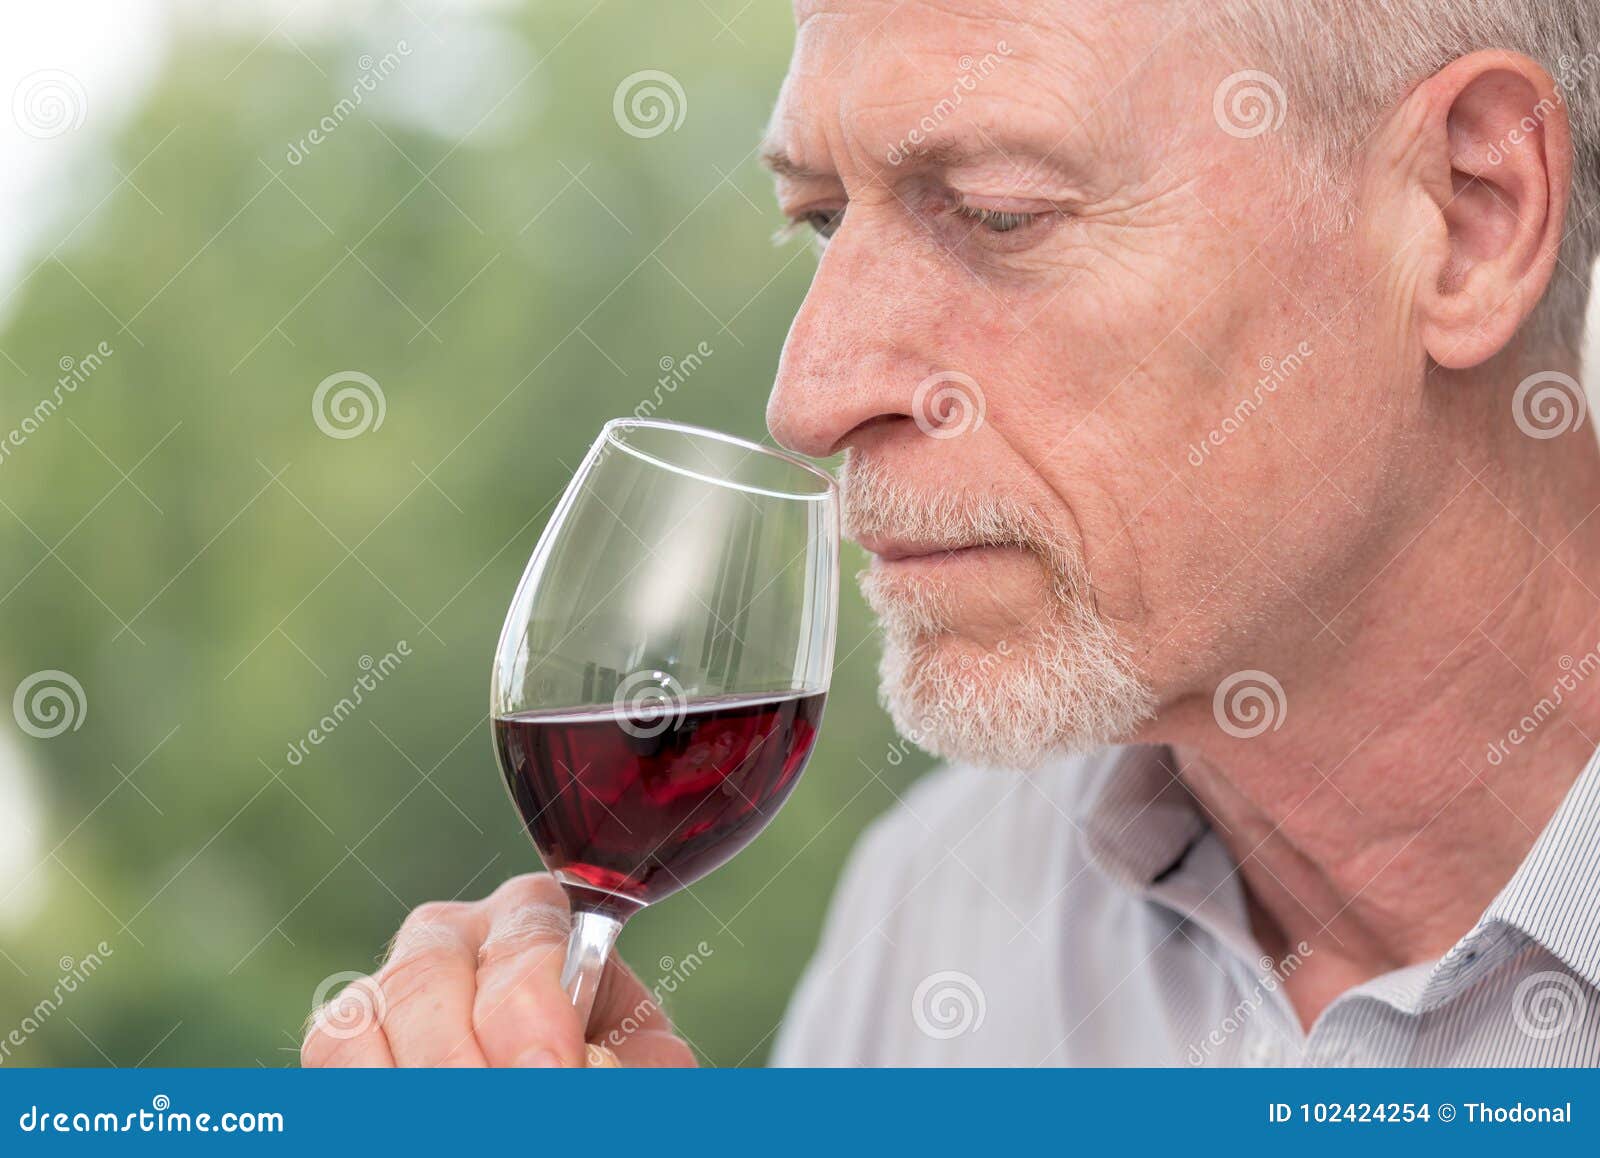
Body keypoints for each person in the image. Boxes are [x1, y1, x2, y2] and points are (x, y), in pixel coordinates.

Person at [304, 0, 1600, 1067]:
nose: (807, 398)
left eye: (994, 212)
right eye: (821, 219)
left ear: (1471, 211)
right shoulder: (941, 915)